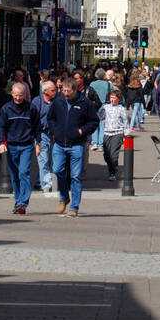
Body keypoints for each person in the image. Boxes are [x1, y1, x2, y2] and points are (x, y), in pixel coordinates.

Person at [47, 76, 99, 217]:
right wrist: (54, 131)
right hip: (59, 143)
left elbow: (94, 121)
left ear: (75, 90)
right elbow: (50, 118)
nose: (65, 93)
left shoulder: (85, 102)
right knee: (57, 171)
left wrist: (82, 131)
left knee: (76, 176)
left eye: (68, 91)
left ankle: (74, 206)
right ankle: (64, 197)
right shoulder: (58, 101)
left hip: (77, 144)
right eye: (63, 90)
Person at [0, 82, 42, 216]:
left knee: (23, 173)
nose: (18, 98)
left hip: (27, 145)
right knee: (14, 175)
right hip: (11, 146)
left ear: (25, 95)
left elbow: (37, 127)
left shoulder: (31, 108)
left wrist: (38, 143)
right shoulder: (5, 109)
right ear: (11, 94)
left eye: (21, 96)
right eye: (16, 95)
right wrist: (0, 143)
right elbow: (0, 128)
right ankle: (17, 201)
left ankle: (23, 202)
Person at [31, 80, 58, 192]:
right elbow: (32, 119)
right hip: (41, 133)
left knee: (50, 160)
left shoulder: (55, 102)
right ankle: (46, 184)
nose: (55, 92)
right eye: (53, 90)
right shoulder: (37, 102)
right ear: (45, 91)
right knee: (44, 159)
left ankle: (39, 181)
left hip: (52, 134)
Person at [100, 89, 130, 181]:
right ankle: (112, 167)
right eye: (111, 97)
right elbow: (100, 117)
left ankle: (112, 172)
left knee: (113, 154)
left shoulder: (121, 108)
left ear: (119, 99)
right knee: (107, 155)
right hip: (107, 133)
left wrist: (127, 135)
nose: (112, 99)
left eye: (114, 98)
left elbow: (125, 121)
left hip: (117, 133)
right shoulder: (106, 107)